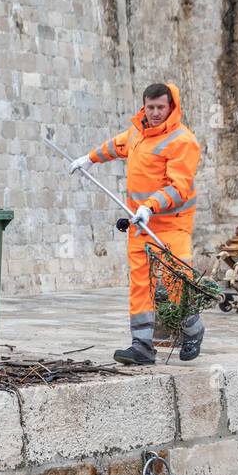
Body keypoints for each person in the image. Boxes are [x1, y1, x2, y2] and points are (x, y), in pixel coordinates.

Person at [72, 82, 204, 365]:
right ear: (144, 106)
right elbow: (116, 146)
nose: (155, 113)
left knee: (176, 282)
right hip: (141, 225)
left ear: (172, 107)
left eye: (160, 107)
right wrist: (90, 159)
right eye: (150, 107)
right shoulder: (137, 134)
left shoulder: (183, 141)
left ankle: (193, 330)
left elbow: (179, 186)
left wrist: (150, 205)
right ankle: (142, 345)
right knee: (140, 286)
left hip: (172, 224)